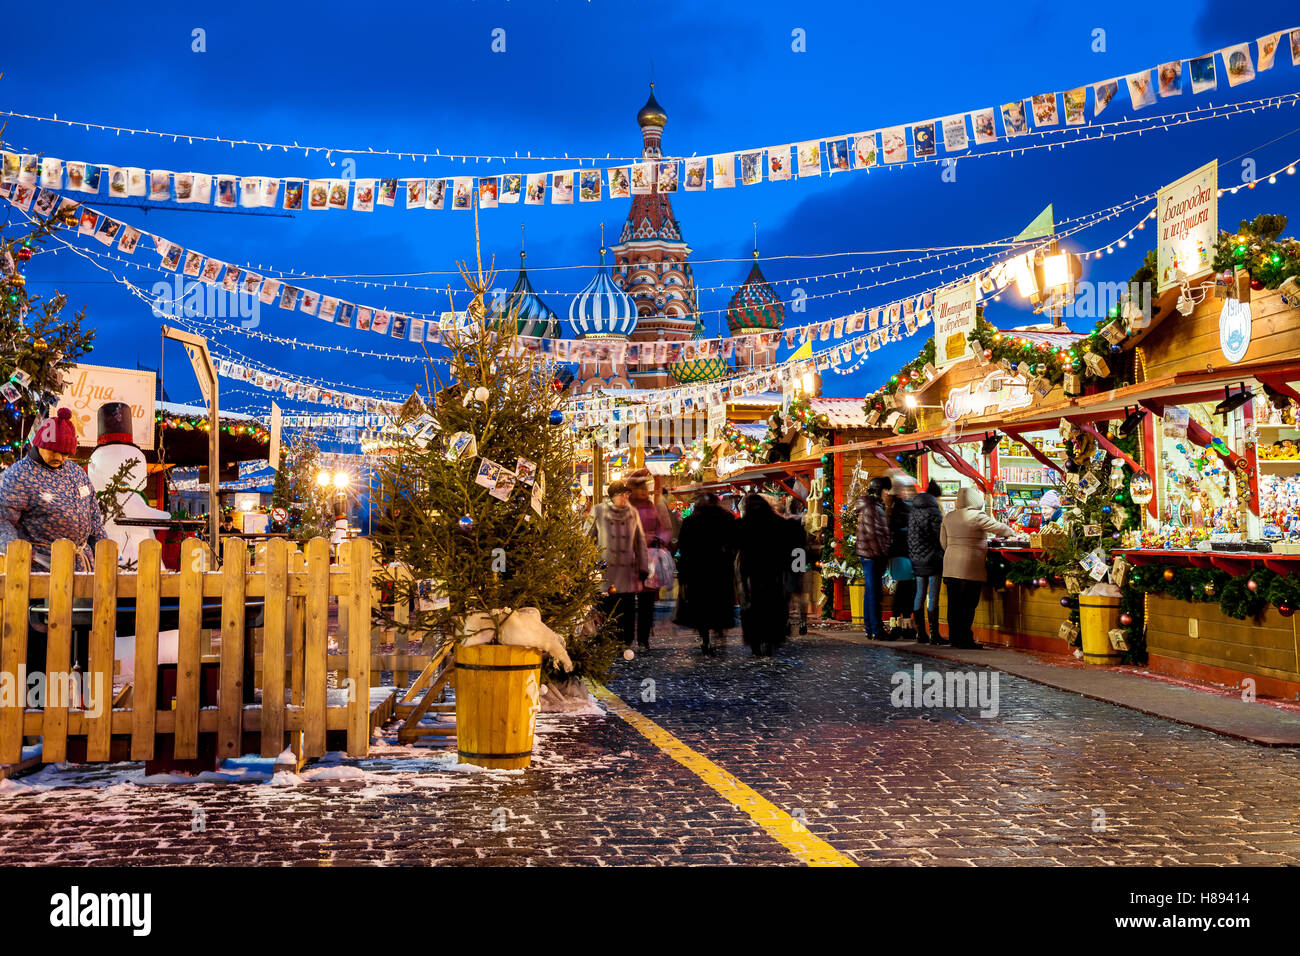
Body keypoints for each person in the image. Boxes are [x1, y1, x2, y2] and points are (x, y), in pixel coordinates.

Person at [0, 408, 107, 573]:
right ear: (40, 444)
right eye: (53, 451)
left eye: (65, 453)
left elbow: (94, 519)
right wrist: (15, 555)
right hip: (40, 569)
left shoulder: (77, 473)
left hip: (82, 567)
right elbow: (3, 520)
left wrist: (104, 553)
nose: (59, 457)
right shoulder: (19, 475)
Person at [940, 486, 1017, 649]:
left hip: (950, 565)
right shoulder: (976, 516)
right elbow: (999, 528)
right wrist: (1011, 533)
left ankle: (955, 637)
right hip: (970, 565)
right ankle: (965, 639)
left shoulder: (949, 516)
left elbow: (943, 542)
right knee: (968, 604)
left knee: (954, 605)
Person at [672, 492, 735, 655]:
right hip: (720, 569)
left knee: (700, 607)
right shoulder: (726, 518)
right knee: (719, 603)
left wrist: (683, 575)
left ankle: (705, 638)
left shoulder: (690, 521)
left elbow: (684, 549)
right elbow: (733, 545)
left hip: (697, 572)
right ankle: (719, 632)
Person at [592, 480, 648, 647]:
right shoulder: (598, 511)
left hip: (627, 571)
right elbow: (586, 537)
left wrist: (643, 566)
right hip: (606, 570)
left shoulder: (632, 513)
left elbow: (640, 541)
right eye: (622, 494)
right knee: (608, 607)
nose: (625, 497)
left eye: (627, 494)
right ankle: (608, 643)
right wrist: (588, 564)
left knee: (627, 608)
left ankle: (626, 642)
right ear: (613, 496)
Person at [734, 494, 790, 656]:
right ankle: (771, 638)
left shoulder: (743, 525)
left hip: (750, 573)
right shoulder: (778, 523)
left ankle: (755, 641)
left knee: (752, 608)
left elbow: (733, 546)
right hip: (773, 573)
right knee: (773, 606)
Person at [625, 468, 673, 648]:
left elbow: (664, 529)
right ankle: (628, 637)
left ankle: (643, 638)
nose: (644, 491)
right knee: (628, 601)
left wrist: (658, 540)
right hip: (630, 558)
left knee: (646, 601)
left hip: (649, 558)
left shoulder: (652, 507)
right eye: (640, 487)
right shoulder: (627, 508)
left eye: (644, 487)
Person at [908, 480, 946, 645]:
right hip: (933, 559)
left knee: (919, 594)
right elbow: (940, 537)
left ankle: (920, 633)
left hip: (916, 559)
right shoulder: (934, 512)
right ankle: (934, 634)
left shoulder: (913, 510)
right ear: (936, 496)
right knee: (933, 596)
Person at [855, 476, 891, 640]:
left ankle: (871, 628)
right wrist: (882, 553)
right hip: (872, 555)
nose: (888, 494)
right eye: (886, 490)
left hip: (869, 555)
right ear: (880, 490)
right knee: (873, 592)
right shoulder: (873, 508)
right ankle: (876, 629)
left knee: (871, 592)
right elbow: (873, 535)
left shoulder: (872, 507)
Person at [886, 474, 917, 640]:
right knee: (905, 590)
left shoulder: (894, 508)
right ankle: (902, 626)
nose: (907, 492)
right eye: (904, 489)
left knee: (902, 590)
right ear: (898, 492)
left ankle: (899, 624)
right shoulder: (903, 509)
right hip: (903, 553)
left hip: (899, 554)